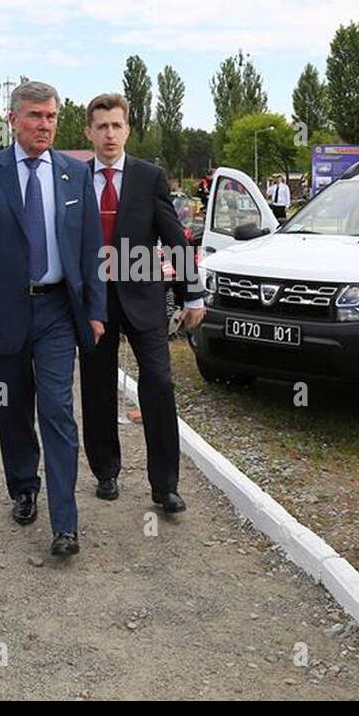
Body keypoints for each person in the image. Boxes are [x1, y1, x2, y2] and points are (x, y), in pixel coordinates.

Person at [0, 80, 105, 557]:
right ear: (13, 120)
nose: (45, 125)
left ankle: (66, 522)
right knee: (11, 409)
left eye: (52, 116)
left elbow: (92, 248)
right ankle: (23, 485)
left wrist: (95, 310)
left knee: (56, 409)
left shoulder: (75, 175)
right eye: (35, 116)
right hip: (2, 312)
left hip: (57, 311)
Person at [78, 94, 204, 513]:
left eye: (117, 125)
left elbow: (175, 238)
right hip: (94, 302)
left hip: (144, 298)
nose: (110, 134)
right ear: (89, 132)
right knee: (97, 389)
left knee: (160, 385)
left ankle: (164, 485)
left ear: (128, 130)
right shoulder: (75, 179)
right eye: (102, 126)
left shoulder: (149, 177)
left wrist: (193, 294)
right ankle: (106, 472)